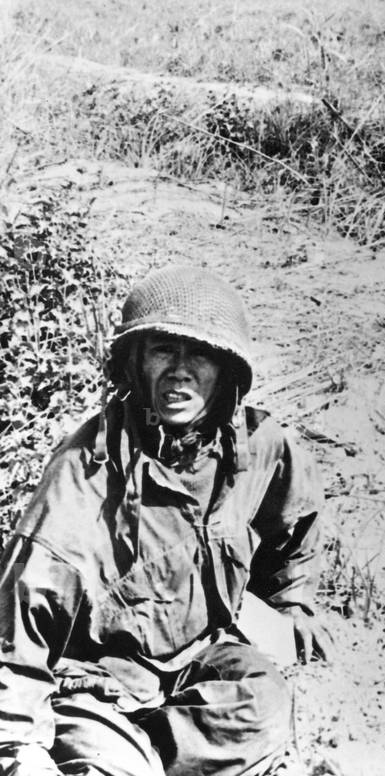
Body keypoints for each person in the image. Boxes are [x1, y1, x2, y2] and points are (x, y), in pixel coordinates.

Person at [0, 266, 335, 775]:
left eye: (199, 353)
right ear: (136, 364)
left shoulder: (256, 448)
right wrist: (18, 752)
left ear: (226, 372)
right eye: (163, 350)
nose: (181, 370)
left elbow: (292, 532)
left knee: (262, 705)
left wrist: (289, 607)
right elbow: (16, 638)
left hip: (197, 665)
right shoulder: (81, 480)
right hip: (97, 685)